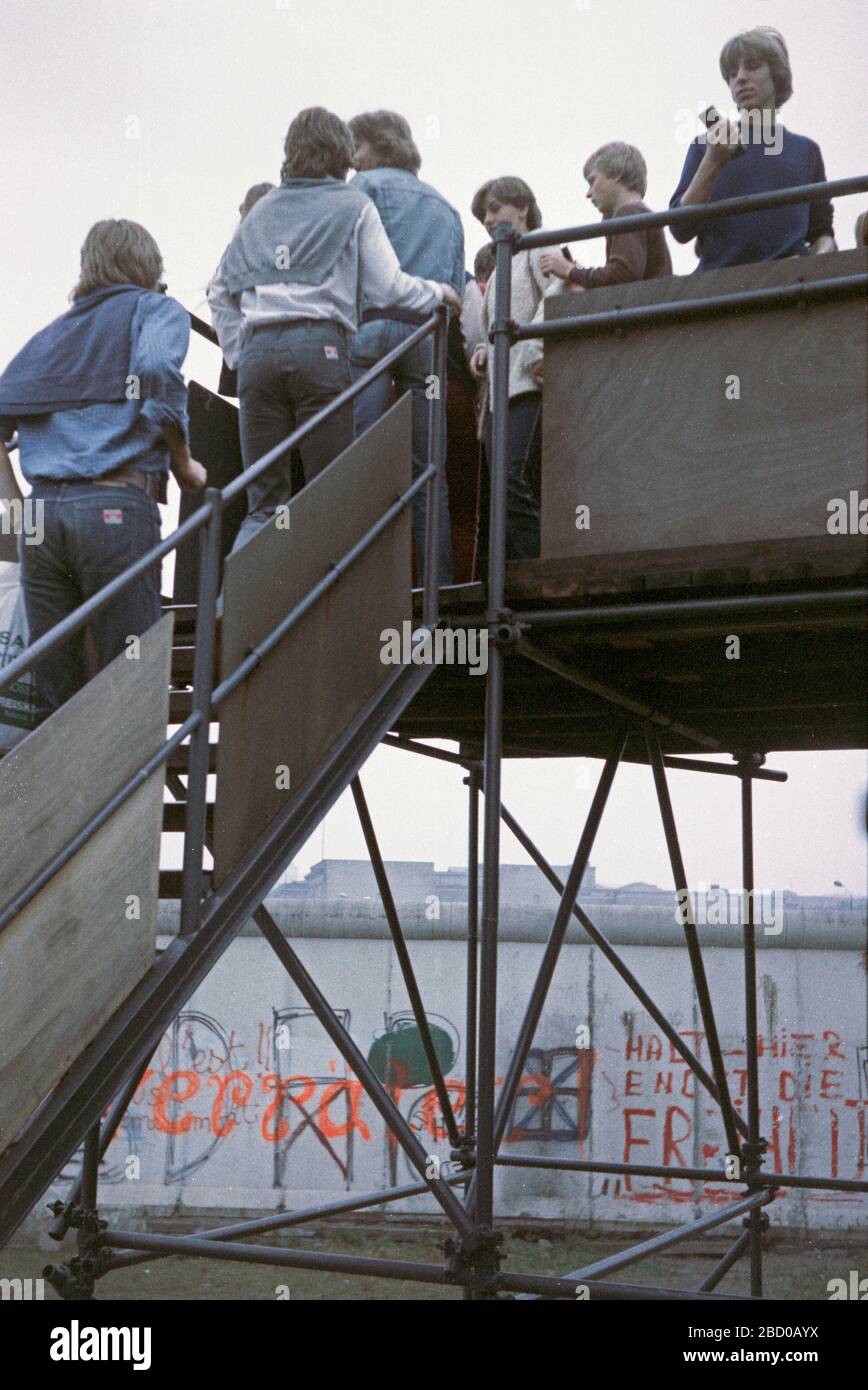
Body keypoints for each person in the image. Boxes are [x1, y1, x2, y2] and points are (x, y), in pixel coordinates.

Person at [207, 107, 460, 556]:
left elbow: (219, 290)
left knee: (264, 505)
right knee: (329, 496)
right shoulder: (352, 204)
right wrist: (439, 292)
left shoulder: (262, 209)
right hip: (319, 348)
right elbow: (391, 286)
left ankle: (231, 615)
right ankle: (327, 608)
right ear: (341, 151)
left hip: (259, 357)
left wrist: (239, 353)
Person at [0, 219, 204, 717]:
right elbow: (156, 370)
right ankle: (129, 791)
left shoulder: (53, 336)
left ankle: (73, 795)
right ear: (148, 267)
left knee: (56, 687)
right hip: (115, 505)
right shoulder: (155, 309)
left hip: (44, 517)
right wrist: (183, 462)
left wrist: (17, 507)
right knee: (131, 671)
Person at [348, 110, 465, 585]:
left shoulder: (361, 189)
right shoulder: (447, 208)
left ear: (374, 146)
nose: (351, 158)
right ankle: (432, 583)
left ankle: (366, 582)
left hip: (372, 331)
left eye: (355, 146)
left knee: (365, 459)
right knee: (426, 468)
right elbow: (455, 290)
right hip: (428, 338)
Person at [669, 26, 836, 270]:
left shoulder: (806, 151)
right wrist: (713, 162)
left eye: (753, 66)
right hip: (722, 289)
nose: (740, 78)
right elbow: (680, 230)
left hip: (789, 285)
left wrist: (811, 264)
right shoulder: (704, 146)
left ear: (776, 74)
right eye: (732, 73)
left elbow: (823, 233)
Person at [469, 177, 560, 564]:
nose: (488, 220)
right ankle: (514, 575)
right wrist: (482, 351)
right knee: (501, 488)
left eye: (494, 208)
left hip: (527, 384)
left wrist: (533, 351)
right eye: (483, 215)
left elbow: (559, 290)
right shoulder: (503, 261)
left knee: (512, 480)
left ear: (522, 207)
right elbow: (499, 324)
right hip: (499, 392)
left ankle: (539, 567)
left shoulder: (539, 245)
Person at [539, 143, 672, 289]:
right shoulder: (635, 213)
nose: (588, 193)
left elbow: (622, 275)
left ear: (617, 173)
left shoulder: (628, 213)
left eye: (592, 181)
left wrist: (570, 270)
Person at [216, 183, 276, 398]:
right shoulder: (286, 246)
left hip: (244, 346)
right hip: (275, 341)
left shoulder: (236, 248)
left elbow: (216, 292)